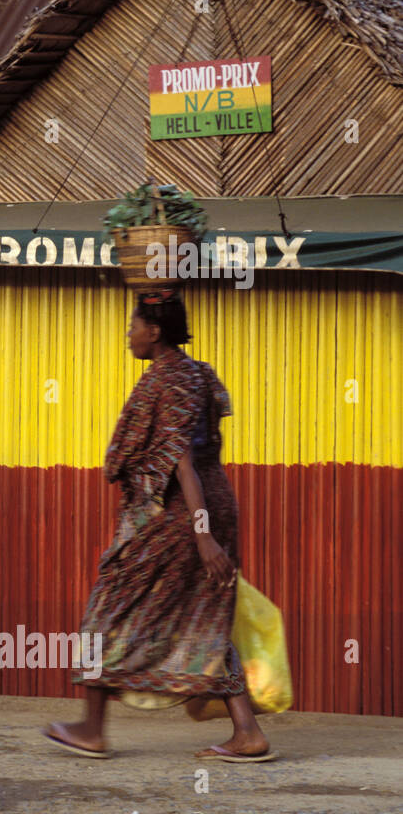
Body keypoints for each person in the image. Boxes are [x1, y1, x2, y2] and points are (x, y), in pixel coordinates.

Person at [44, 289, 274, 762]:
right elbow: (208, 453)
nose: (128, 334)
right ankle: (247, 732)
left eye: (133, 326)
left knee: (108, 605)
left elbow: (181, 463)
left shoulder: (165, 380)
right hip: (215, 501)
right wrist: (210, 525)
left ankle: (92, 728)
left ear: (155, 331)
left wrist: (202, 534)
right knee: (205, 614)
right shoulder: (200, 374)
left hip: (177, 514)